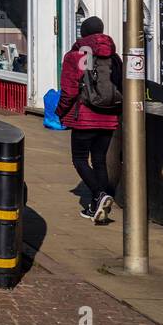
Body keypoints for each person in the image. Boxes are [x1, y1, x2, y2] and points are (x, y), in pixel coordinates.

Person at [56, 16, 123, 223]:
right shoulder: (114, 57)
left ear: (83, 33)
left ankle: (99, 194)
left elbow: (68, 90)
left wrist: (60, 112)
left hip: (84, 118)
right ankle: (97, 206)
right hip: (109, 117)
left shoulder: (76, 55)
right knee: (100, 160)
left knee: (79, 159)